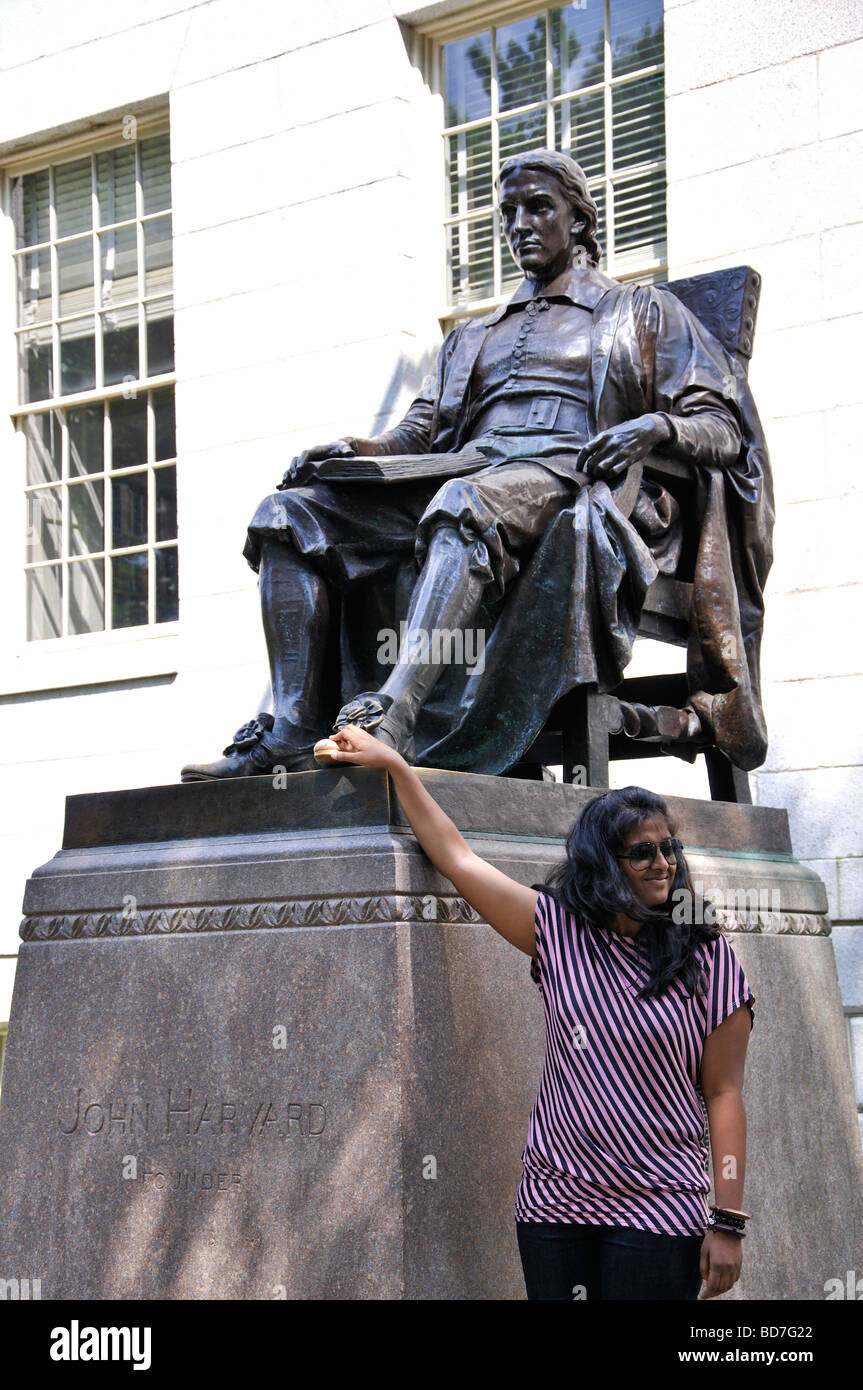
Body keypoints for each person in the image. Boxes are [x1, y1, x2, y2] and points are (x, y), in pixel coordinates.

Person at [181, 148, 772, 783]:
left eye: (539, 207)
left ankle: (395, 715)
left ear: (580, 219)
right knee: (289, 514)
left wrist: (654, 427)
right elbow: (420, 431)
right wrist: (359, 450)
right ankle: (292, 730)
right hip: (462, 468)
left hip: (571, 473)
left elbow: (725, 430)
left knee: (465, 502)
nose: (520, 223)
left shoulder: (643, 311)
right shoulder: (473, 336)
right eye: (509, 211)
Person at [325, 721, 756, 1302]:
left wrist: (727, 1221)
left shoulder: (707, 957)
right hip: (554, 1204)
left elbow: (725, 1094)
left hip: (660, 1206)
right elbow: (457, 858)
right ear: (604, 862)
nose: (663, 863)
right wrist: (396, 766)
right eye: (642, 852)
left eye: (668, 847)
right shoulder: (557, 930)